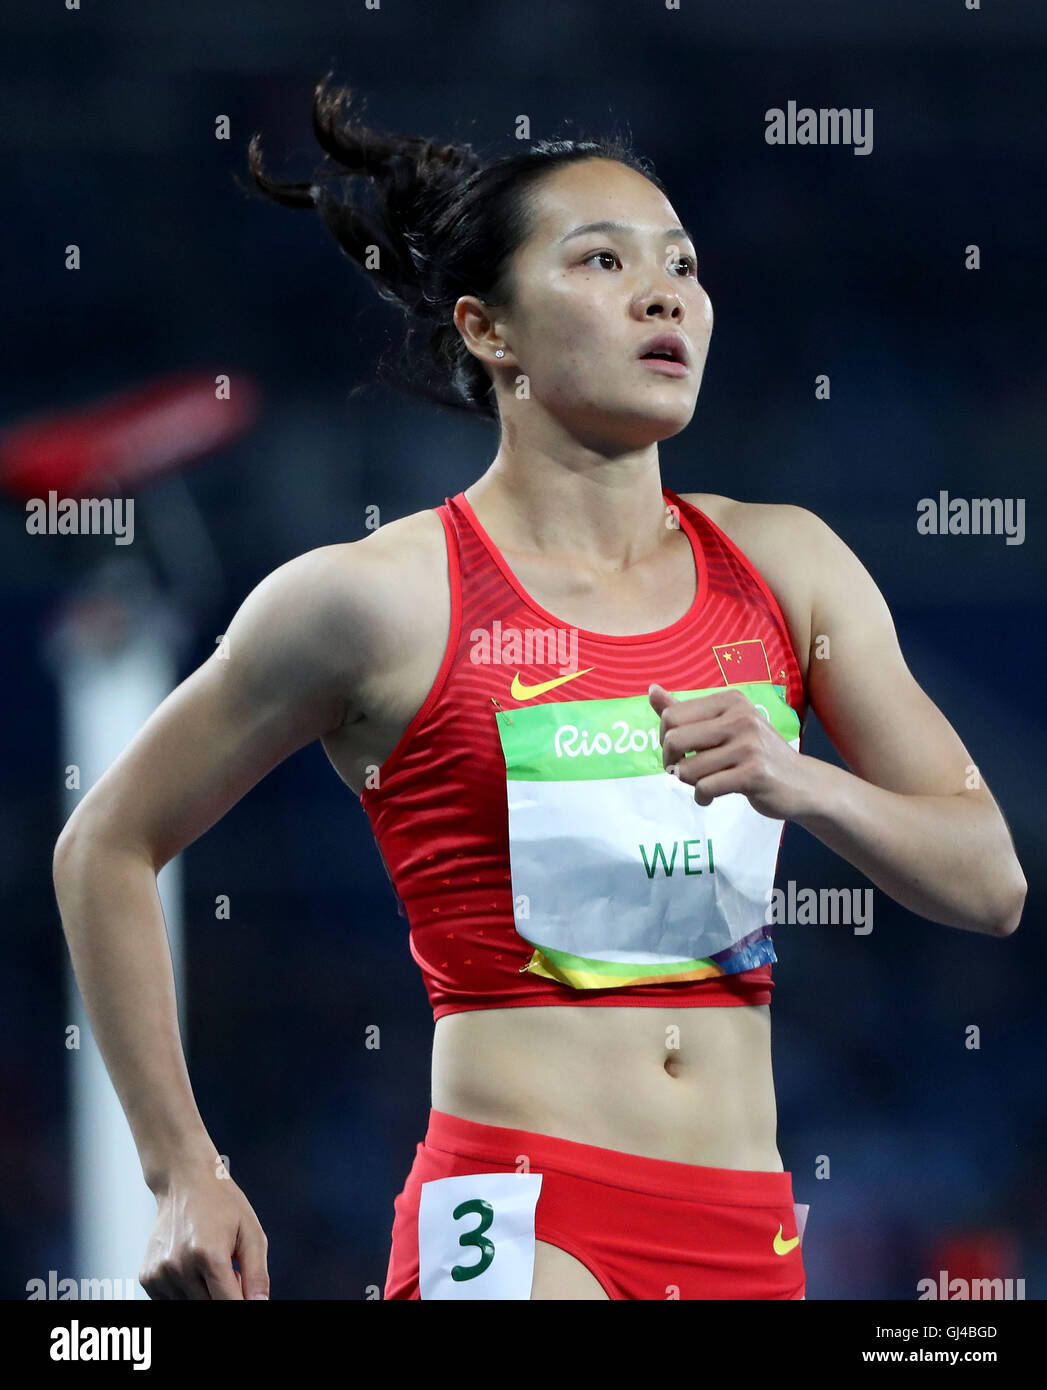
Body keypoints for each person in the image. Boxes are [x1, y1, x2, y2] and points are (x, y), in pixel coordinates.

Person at [52, 76, 1026, 1301]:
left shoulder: (789, 567)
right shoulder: (378, 598)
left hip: (747, 1228)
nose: (664, 291)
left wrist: (804, 781)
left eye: (681, 263)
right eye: (602, 262)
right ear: (487, 330)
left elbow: (990, 879)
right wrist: (181, 1170)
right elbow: (106, 844)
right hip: (519, 1212)